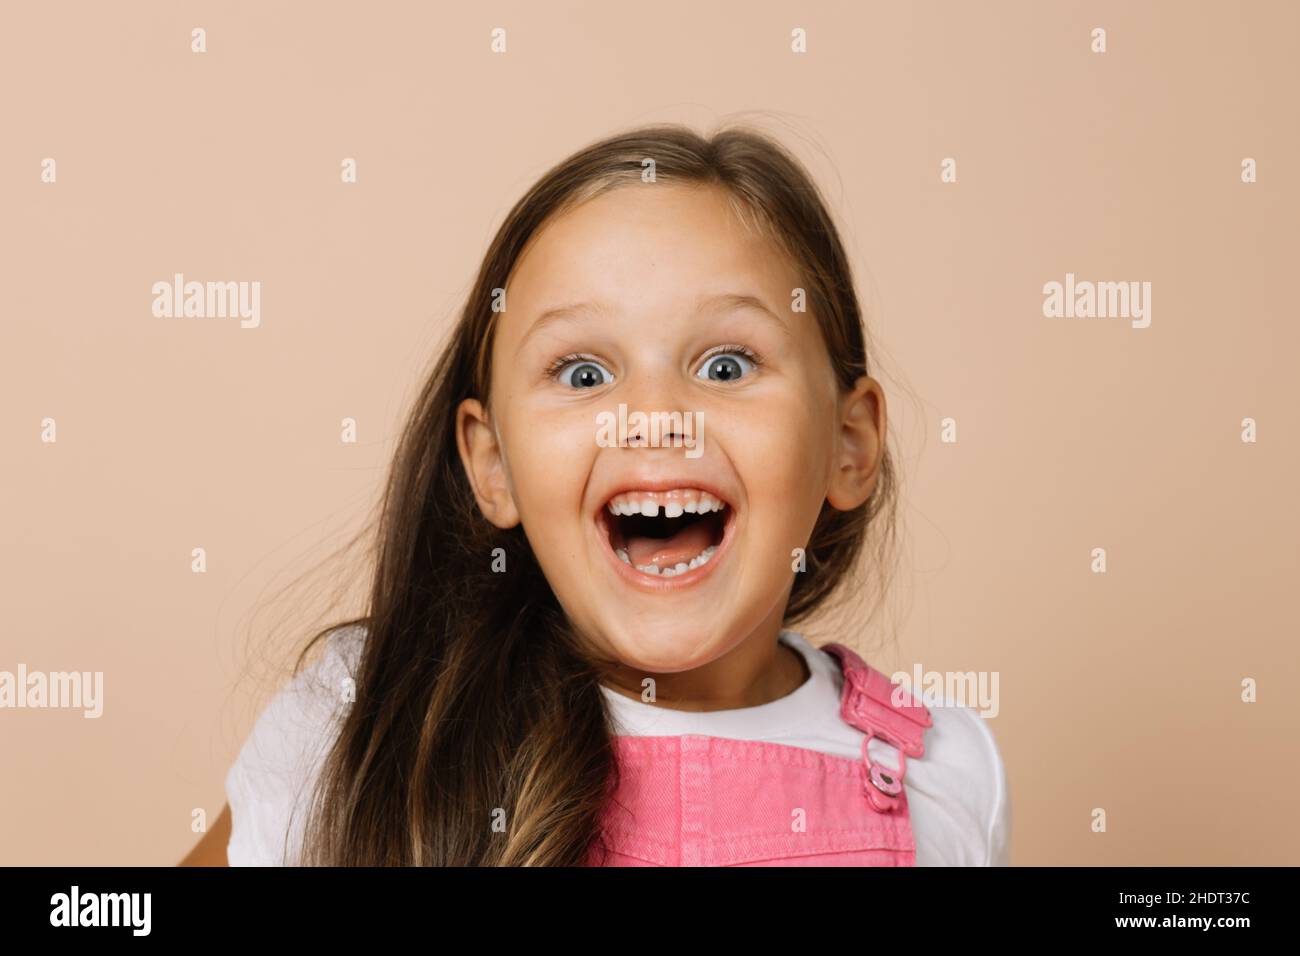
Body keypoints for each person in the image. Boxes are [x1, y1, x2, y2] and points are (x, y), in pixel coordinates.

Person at [182, 122, 1010, 867]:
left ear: (849, 445)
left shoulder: (942, 776)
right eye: (583, 373)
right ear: (492, 465)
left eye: (726, 365)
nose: (651, 420)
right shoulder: (366, 725)